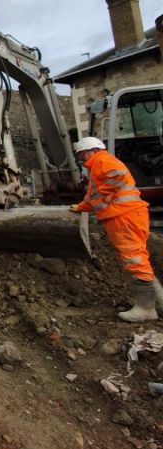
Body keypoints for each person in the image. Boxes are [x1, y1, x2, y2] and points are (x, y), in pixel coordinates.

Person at [69, 137, 162, 322]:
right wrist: (82, 206)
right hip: (126, 216)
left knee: (134, 258)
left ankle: (146, 308)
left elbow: (115, 177)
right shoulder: (98, 164)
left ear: (93, 150)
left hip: (124, 217)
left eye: (82, 154)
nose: (82, 158)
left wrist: (100, 199)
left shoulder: (102, 160)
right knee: (138, 259)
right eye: (80, 156)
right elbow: (96, 194)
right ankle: (159, 302)